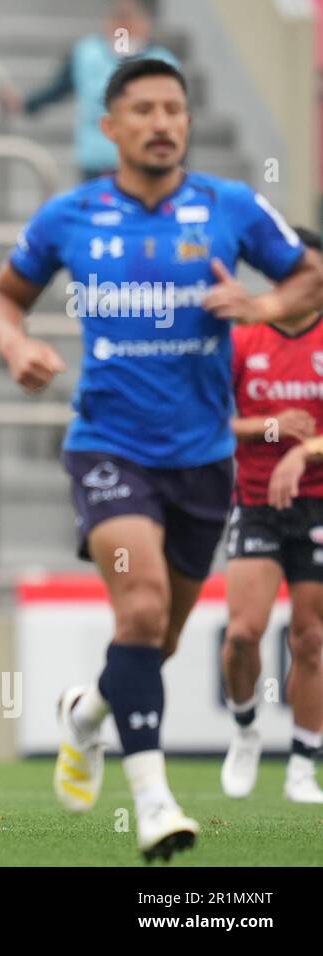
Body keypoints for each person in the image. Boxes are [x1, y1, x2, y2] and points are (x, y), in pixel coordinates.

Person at [0, 59, 323, 860]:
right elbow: (4, 297)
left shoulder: (231, 207)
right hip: (108, 446)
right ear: (111, 127)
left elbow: (308, 272)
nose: (163, 122)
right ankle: (154, 803)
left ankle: (87, 719)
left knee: (157, 641)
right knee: (134, 613)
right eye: (144, 110)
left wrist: (263, 304)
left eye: (175, 108)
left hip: (203, 460)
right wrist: (14, 342)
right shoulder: (70, 216)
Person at [221, 225, 323, 804]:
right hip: (256, 503)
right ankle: (245, 730)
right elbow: (209, 423)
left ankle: (303, 764)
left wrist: (304, 452)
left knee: (310, 639)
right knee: (243, 633)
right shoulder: (244, 342)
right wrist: (271, 428)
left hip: (317, 503)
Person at [3, 0, 179, 181]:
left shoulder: (162, 61)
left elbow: (176, 117)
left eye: (130, 19)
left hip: (146, 159)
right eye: (119, 18)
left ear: (146, 23)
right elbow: (58, 88)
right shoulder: (87, 53)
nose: (125, 26)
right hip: (97, 159)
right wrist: (25, 104)